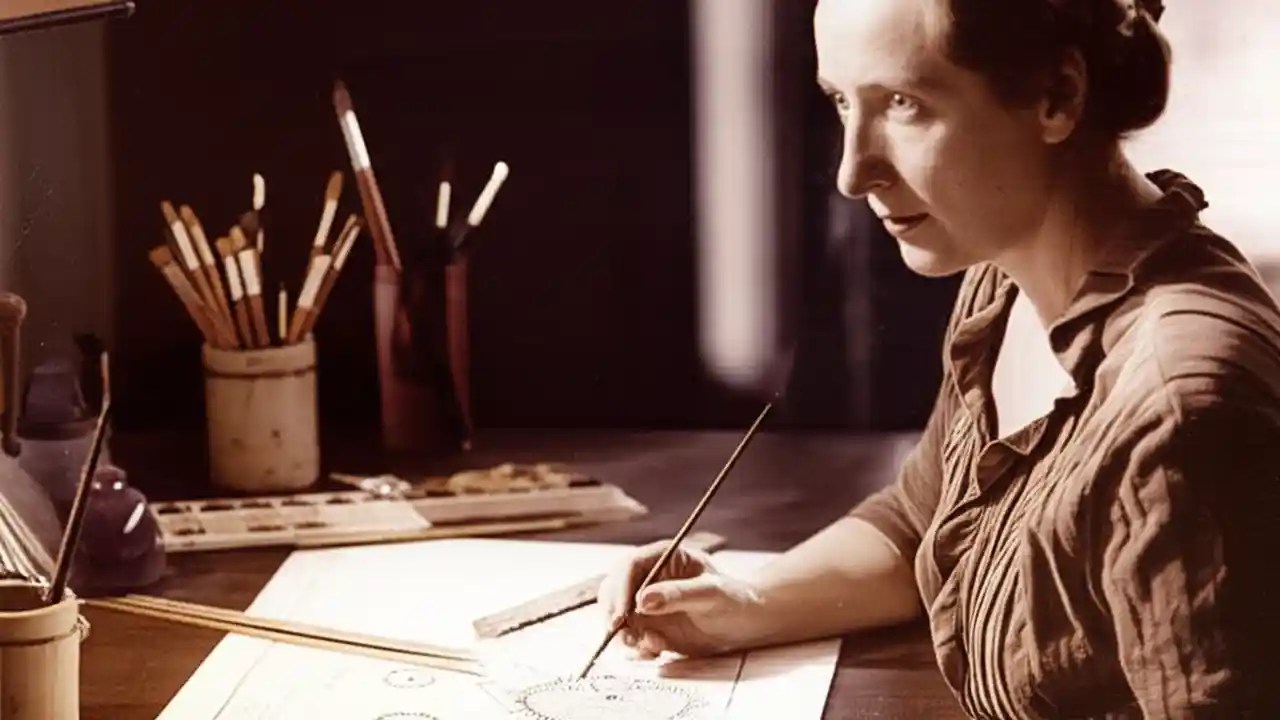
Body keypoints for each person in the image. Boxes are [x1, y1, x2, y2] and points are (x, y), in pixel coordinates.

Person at [597, 0, 1280, 716]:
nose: (852, 173)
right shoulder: (1007, 278)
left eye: (903, 103)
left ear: (1058, 97)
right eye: (840, 102)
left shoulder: (1178, 409)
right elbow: (925, 518)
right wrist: (744, 600)